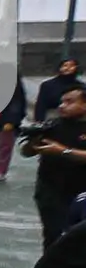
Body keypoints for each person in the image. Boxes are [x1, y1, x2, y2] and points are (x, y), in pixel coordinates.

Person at [21, 83, 86, 248]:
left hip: (81, 191)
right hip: (51, 189)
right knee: (53, 237)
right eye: (62, 102)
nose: (62, 106)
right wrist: (34, 142)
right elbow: (26, 152)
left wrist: (63, 151)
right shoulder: (54, 124)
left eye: (69, 102)